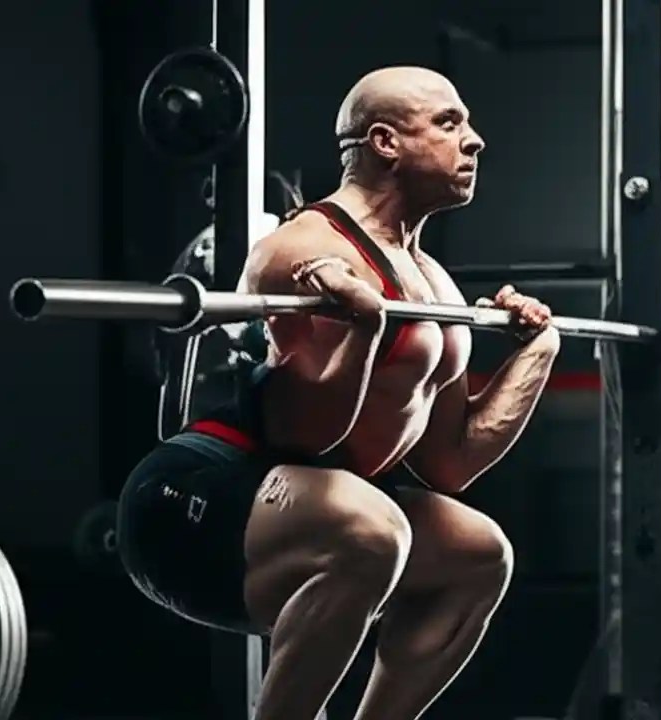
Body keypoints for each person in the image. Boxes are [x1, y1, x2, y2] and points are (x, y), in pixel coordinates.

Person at [117, 65, 561, 720]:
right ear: (385, 142)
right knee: (369, 528)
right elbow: (302, 434)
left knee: (478, 555)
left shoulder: (432, 279)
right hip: (191, 503)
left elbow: (450, 462)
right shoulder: (305, 249)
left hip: (312, 503)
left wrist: (538, 353)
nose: (475, 141)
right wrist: (365, 328)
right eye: (449, 122)